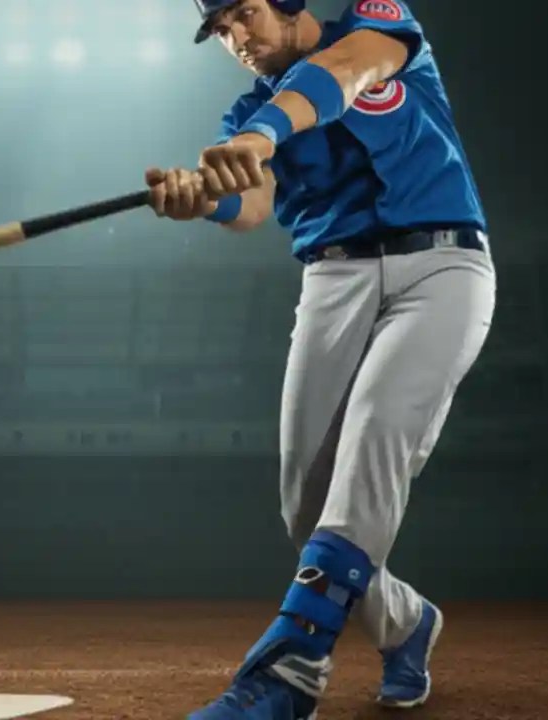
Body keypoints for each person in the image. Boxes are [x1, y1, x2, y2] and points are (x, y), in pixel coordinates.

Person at [145, 1, 497, 718]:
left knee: (373, 439)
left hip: (441, 266)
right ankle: (406, 622)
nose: (237, 38)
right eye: (221, 31)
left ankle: (287, 675)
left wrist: (264, 134)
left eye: (244, 14)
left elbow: (343, 71)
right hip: (333, 278)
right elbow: (249, 205)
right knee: (306, 508)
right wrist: (199, 203)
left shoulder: (378, 22)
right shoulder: (246, 110)